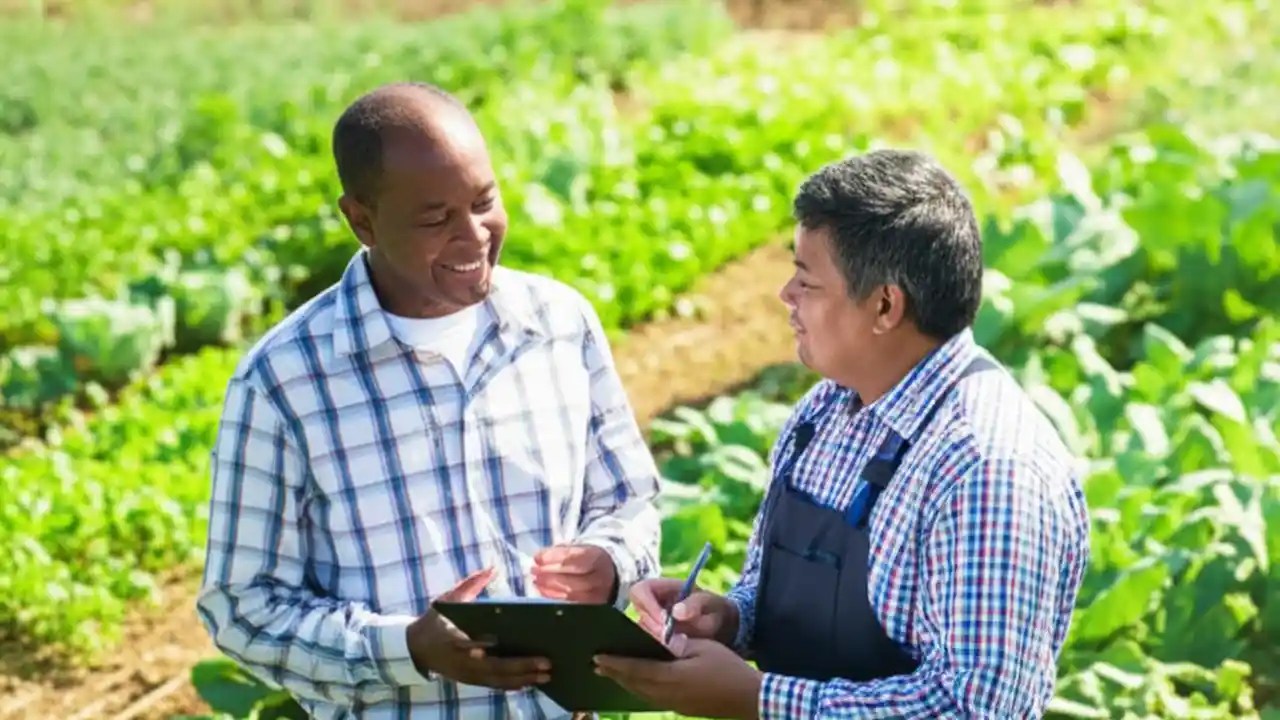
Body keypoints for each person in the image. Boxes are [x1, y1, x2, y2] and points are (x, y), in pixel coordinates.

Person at [196, 81, 662, 720]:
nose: (474, 236)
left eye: (484, 201)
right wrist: (407, 647)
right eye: (435, 219)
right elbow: (241, 606)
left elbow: (630, 501)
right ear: (361, 220)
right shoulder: (284, 383)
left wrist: (608, 563)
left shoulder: (559, 324)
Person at [593, 149, 1091, 718]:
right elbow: (776, 588)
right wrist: (729, 619)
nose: (786, 296)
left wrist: (757, 699)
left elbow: (974, 707)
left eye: (807, 281)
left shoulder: (987, 471)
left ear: (884, 305)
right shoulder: (826, 409)